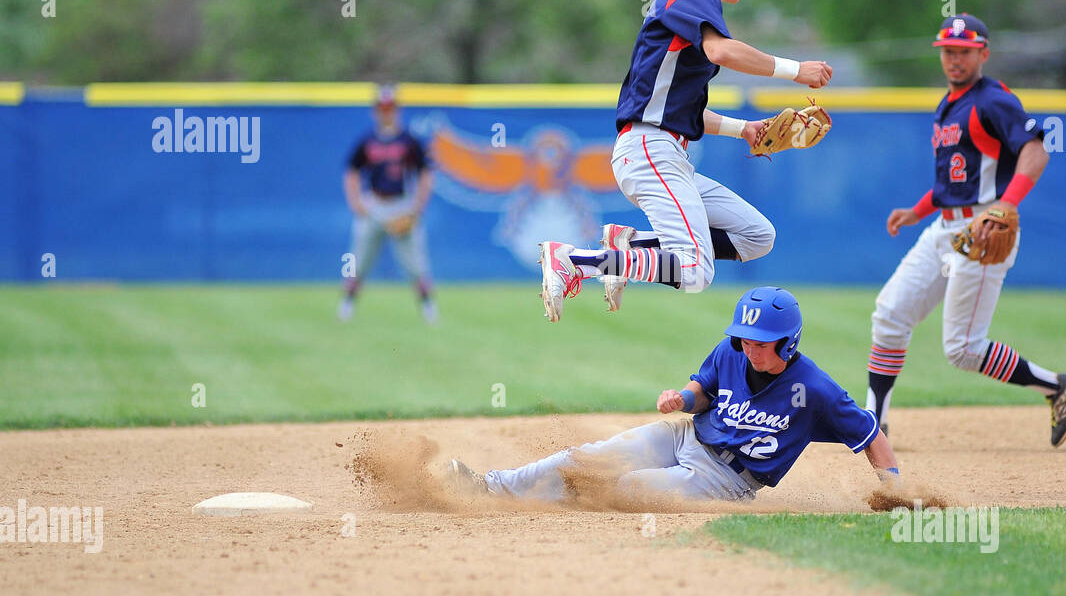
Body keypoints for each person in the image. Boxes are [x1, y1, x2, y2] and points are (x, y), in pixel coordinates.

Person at [537, 0, 834, 322]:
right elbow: (722, 51)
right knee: (695, 272)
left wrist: (742, 129)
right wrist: (797, 70)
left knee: (757, 236)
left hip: (665, 150)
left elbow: (686, 112)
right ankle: (574, 259)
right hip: (649, 151)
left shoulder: (694, 15)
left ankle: (630, 243)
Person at [448, 287, 901, 503]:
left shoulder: (815, 389)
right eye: (745, 337)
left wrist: (896, 493)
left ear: (788, 343)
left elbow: (871, 436)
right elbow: (703, 390)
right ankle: (490, 488)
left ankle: (550, 500)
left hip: (729, 481)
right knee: (590, 458)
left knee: (625, 489)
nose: (750, 347)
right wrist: (681, 399)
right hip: (686, 436)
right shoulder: (732, 351)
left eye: (761, 342)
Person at [867, 14, 1066, 446]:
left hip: (984, 231)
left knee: (963, 349)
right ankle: (875, 424)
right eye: (948, 51)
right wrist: (915, 211)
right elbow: (954, 183)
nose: (954, 59)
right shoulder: (948, 105)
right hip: (945, 228)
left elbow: (1036, 152)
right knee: (890, 314)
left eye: (964, 52)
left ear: (983, 53)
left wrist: (1005, 205)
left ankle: (1057, 386)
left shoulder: (993, 100)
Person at [338, 85, 438, 323]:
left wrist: (418, 206)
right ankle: (346, 306)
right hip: (374, 205)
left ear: (397, 110)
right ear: (375, 111)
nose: (386, 113)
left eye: (390, 108)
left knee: (416, 265)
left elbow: (426, 172)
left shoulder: (409, 141)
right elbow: (351, 171)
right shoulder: (367, 141)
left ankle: (429, 309)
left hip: (401, 206)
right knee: (359, 262)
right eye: (382, 109)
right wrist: (355, 201)